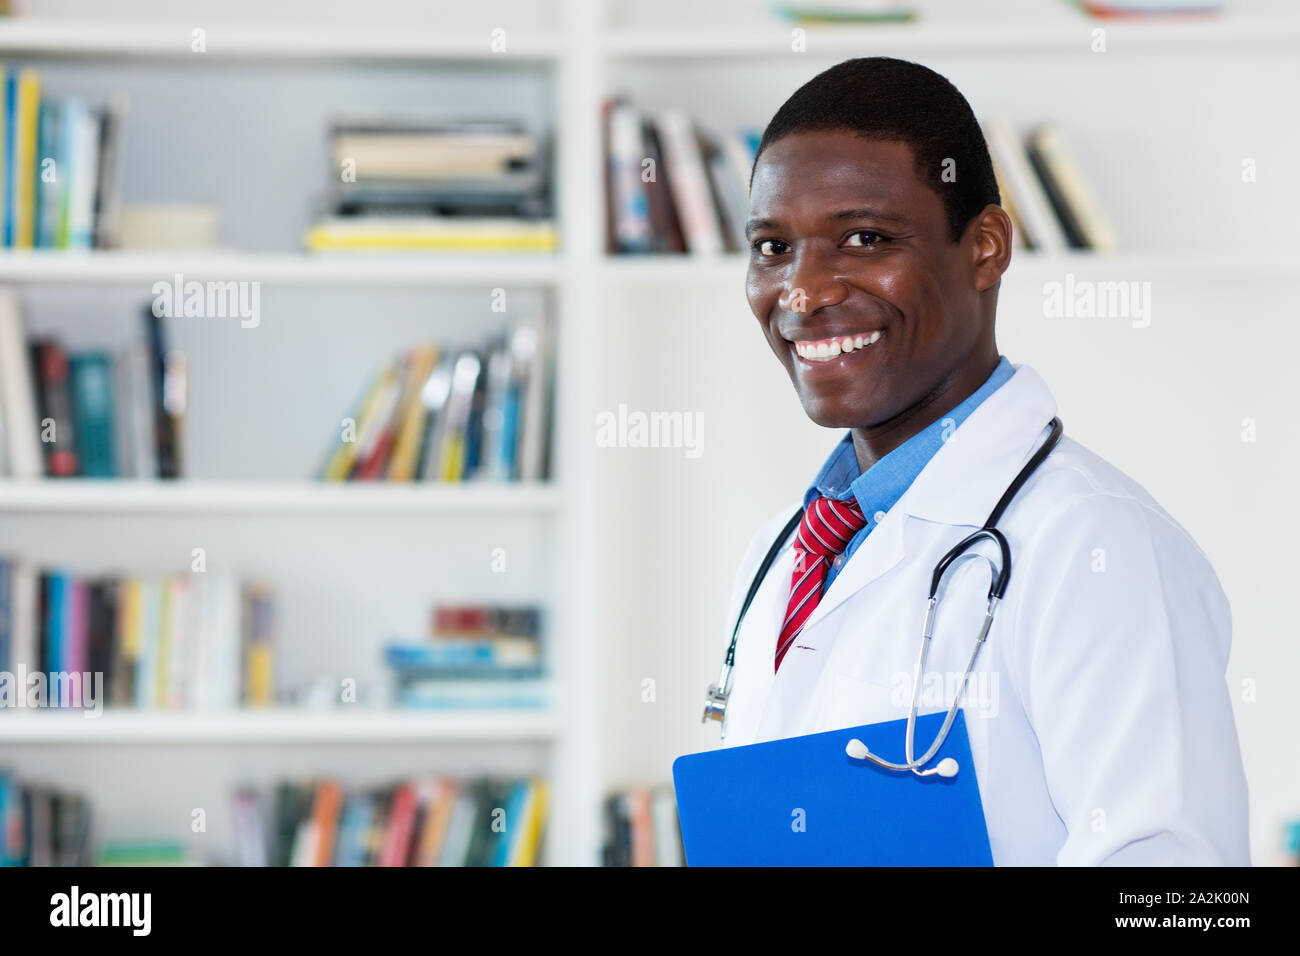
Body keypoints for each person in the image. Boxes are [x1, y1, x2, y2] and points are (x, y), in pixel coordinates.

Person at [723, 56, 1249, 865]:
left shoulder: (1098, 549)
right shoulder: (782, 553)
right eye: (772, 246)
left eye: (865, 239)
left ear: (986, 248)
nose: (803, 291)